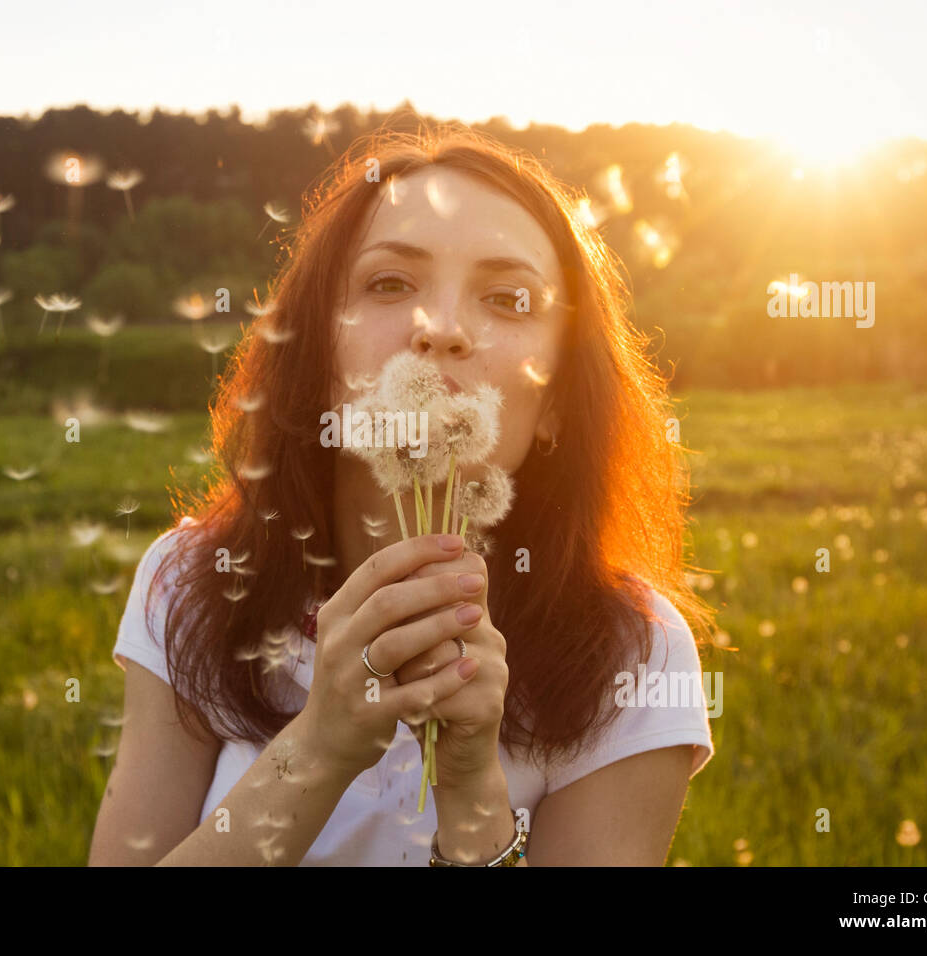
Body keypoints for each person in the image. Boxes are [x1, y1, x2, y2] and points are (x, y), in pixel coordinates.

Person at [89, 122, 717, 866]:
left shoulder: (635, 651)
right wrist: (322, 746)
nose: (442, 328)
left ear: (557, 402)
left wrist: (471, 792)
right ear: (318, 354)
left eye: (510, 299)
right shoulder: (191, 584)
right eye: (390, 283)